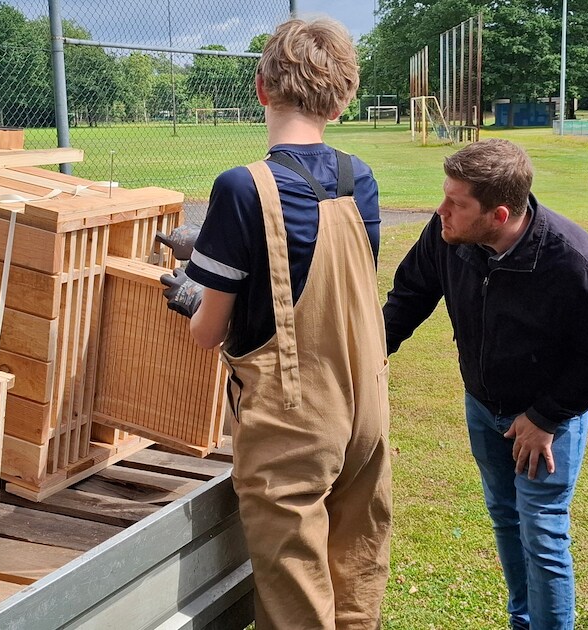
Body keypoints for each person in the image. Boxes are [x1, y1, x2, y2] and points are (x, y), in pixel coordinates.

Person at [158, 17, 391, 630]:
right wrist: (215, 250)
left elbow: (209, 332)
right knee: (356, 580)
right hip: (365, 410)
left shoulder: (242, 188)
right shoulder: (359, 178)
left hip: (295, 424)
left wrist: (196, 291)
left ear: (261, 88)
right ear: (342, 100)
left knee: (297, 604)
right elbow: (317, 265)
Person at [383, 138, 588, 629]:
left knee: (542, 531)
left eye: (456, 203)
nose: (441, 210)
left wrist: (545, 418)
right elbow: (410, 295)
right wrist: (368, 355)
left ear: (499, 214)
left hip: (545, 420)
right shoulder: (448, 235)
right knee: (505, 516)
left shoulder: (573, 261)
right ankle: (523, 620)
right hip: (482, 404)